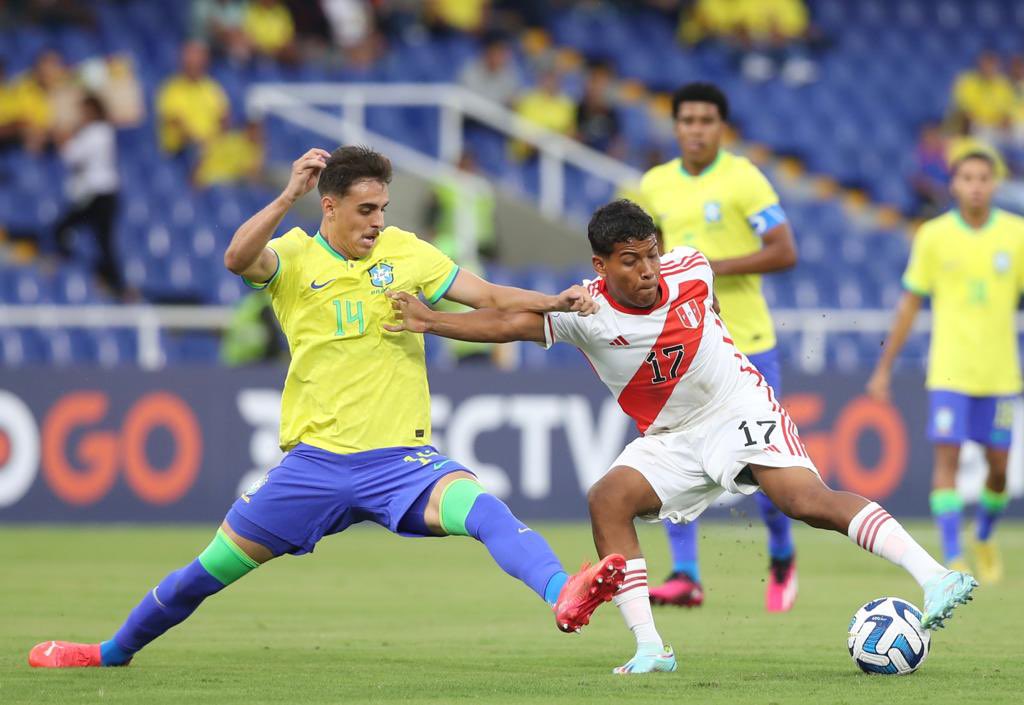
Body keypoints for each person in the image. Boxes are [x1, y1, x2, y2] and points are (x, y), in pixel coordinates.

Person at [27, 145, 623, 669]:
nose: (378, 221)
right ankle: (109, 652)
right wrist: (288, 193)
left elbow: (489, 296)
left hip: (400, 460)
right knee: (205, 575)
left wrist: (553, 300)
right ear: (329, 205)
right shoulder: (292, 260)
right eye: (366, 210)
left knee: (485, 510)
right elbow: (236, 259)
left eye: (383, 208)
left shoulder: (406, 251)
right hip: (314, 466)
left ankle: (563, 593)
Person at [385, 198, 977, 674]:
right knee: (607, 499)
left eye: (650, 255)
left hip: (736, 406)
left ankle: (936, 576)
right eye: (629, 260)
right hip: (671, 434)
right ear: (601, 267)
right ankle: (651, 648)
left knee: (805, 502)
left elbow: (710, 311)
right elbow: (509, 323)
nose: (645, 270)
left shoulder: (690, 265)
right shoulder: (583, 312)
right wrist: (433, 321)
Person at [633, 82, 799, 612]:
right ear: (675, 126)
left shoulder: (745, 178)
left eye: (706, 120)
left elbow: (784, 251)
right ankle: (685, 573)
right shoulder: (655, 184)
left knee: (766, 465)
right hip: (685, 345)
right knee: (672, 454)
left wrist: (708, 270)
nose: (696, 129)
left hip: (749, 341)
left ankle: (780, 549)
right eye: (687, 120)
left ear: (721, 127)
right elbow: (643, 258)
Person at [867, 152, 1024, 586]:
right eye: (967, 178)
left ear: (995, 184)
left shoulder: (1017, 235)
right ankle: (954, 553)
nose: (975, 185)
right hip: (950, 372)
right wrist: (884, 368)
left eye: (983, 178)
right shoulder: (933, 236)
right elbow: (910, 304)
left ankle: (985, 536)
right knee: (947, 460)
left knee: (998, 468)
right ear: (952, 185)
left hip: (1000, 375)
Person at [53, 94, 124, 298]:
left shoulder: (97, 132)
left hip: (99, 194)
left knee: (99, 238)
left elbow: (72, 156)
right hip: (99, 194)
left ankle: (114, 283)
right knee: (100, 239)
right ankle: (110, 280)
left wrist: (62, 138)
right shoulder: (99, 132)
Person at [156, 41, 229, 157]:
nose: (194, 65)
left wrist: (214, 140)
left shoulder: (212, 88)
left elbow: (223, 118)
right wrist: (199, 141)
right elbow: (175, 121)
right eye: (190, 61)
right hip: (181, 153)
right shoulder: (171, 89)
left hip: (209, 150)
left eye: (198, 61)